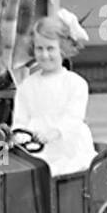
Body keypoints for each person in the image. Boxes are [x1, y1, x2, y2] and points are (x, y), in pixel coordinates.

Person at [11, 12, 97, 176]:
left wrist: (55, 132)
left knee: (57, 169)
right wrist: (20, 135)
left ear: (63, 50)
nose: (44, 55)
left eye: (50, 49)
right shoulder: (26, 86)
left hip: (67, 147)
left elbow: (73, 118)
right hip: (34, 147)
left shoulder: (75, 84)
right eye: (39, 49)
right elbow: (20, 120)